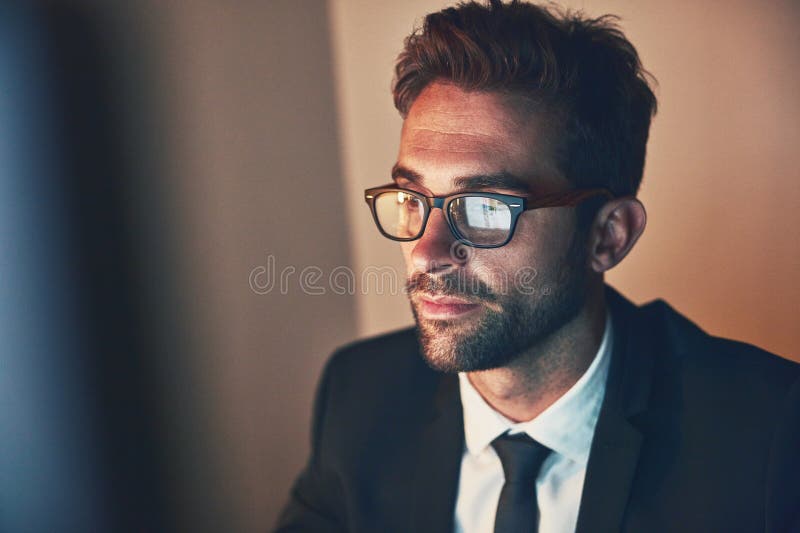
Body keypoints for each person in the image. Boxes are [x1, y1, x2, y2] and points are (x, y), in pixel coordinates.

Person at [275, 1, 800, 531]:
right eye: (412, 198)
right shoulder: (360, 394)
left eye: (485, 207)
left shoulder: (768, 435)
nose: (428, 252)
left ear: (608, 235)